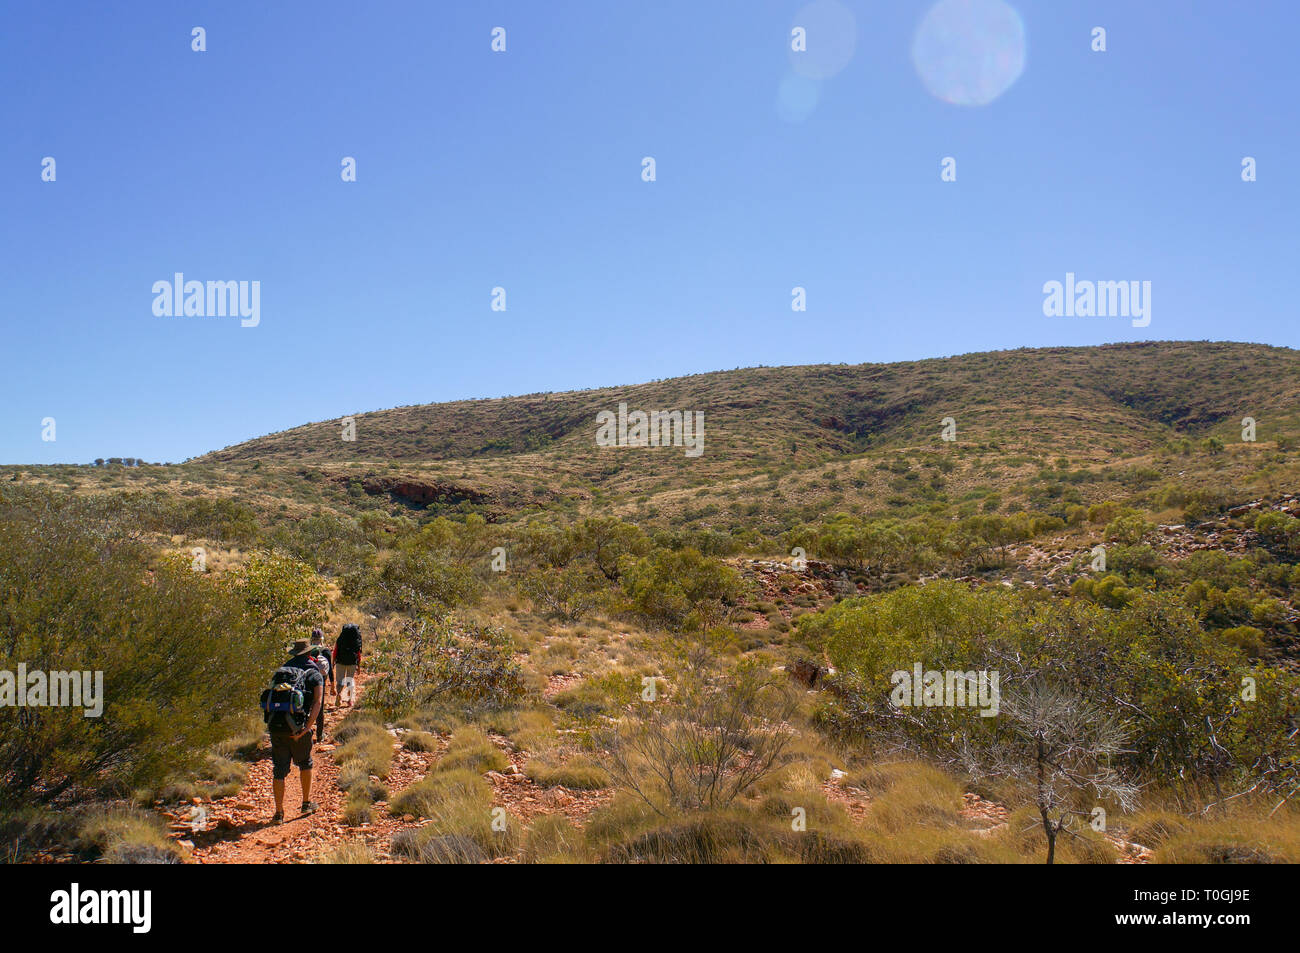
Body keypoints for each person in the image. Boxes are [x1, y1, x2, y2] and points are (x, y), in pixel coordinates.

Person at [266, 638, 325, 823]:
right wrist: (308, 726)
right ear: (310, 653)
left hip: (277, 727)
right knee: (305, 763)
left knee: (279, 770)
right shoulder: (313, 673)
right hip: (298, 727)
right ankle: (306, 803)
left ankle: (278, 813)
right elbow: (317, 702)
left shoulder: (282, 670)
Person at [306, 629, 333, 744]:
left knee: (307, 707)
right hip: (320, 682)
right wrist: (333, 685)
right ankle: (320, 735)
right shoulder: (326, 651)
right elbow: (330, 669)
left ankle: (306, 733)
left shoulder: (307, 650)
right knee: (319, 708)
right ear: (322, 640)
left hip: (307, 681)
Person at [333, 623, 363, 708]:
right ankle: (350, 700)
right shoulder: (356, 639)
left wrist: (333, 662)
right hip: (352, 662)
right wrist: (359, 666)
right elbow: (358, 653)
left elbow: (335, 651)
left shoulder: (340, 639)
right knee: (350, 680)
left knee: (340, 680)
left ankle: (338, 695)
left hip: (340, 661)